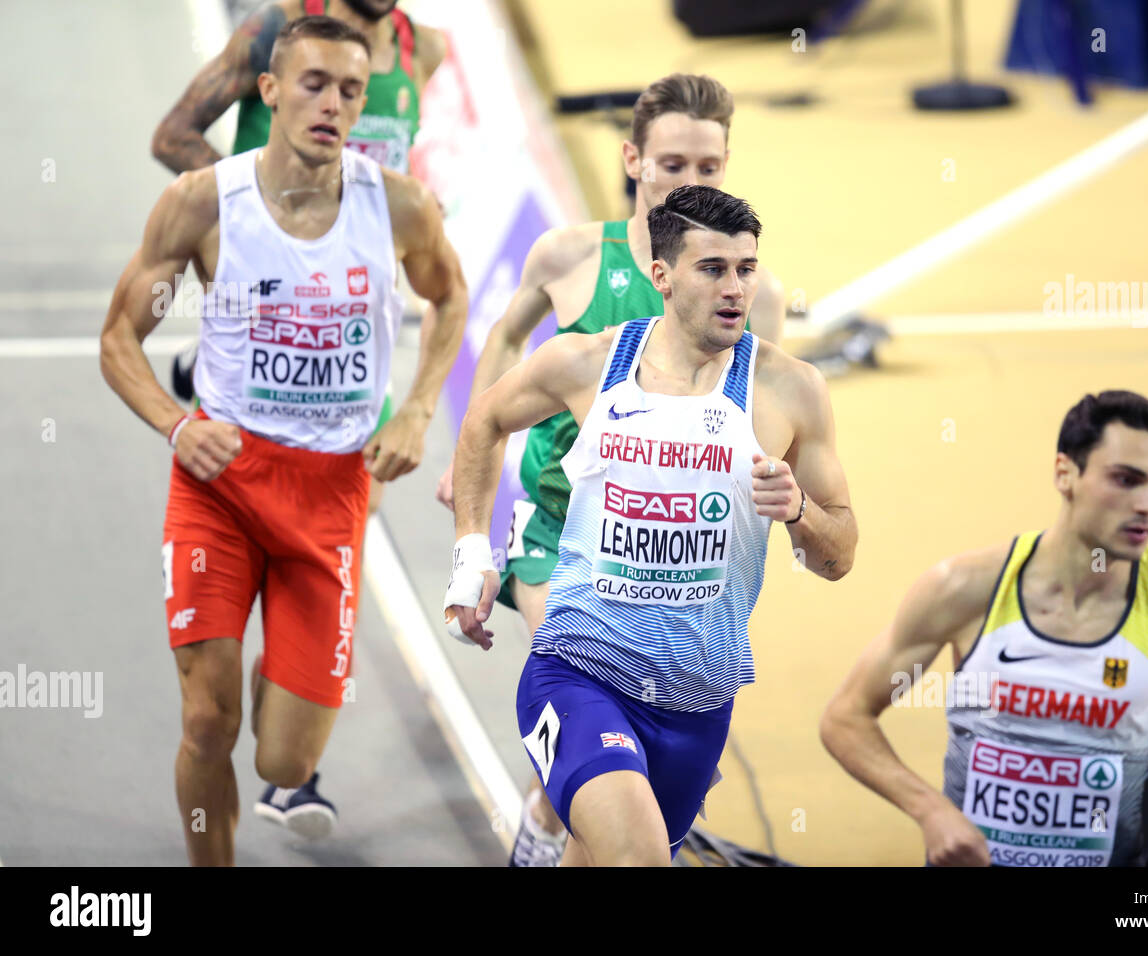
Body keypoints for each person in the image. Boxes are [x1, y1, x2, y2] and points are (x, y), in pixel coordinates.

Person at [100, 16, 467, 864]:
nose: (333, 104)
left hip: (331, 490)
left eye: (351, 91)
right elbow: (119, 340)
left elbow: (451, 298)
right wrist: (177, 421)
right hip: (222, 478)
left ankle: (284, 675)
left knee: (285, 758)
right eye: (313, 85)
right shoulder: (201, 204)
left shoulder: (399, 207)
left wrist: (415, 410)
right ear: (269, 91)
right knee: (206, 720)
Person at [444, 185, 856, 866]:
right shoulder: (590, 363)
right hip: (579, 674)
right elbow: (484, 420)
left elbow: (839, 556)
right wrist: (471, 555)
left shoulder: (791, 391)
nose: (735, 289)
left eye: (747, 269)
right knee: (638, 860)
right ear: (661, 275)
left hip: (698, 705)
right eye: (713, 269)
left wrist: (801, 512)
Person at [820, 391, 1148, 866]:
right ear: (1065, 473)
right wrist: (931, 811)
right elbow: (846, 718)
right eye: (1126, 480)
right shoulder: (966, 589)